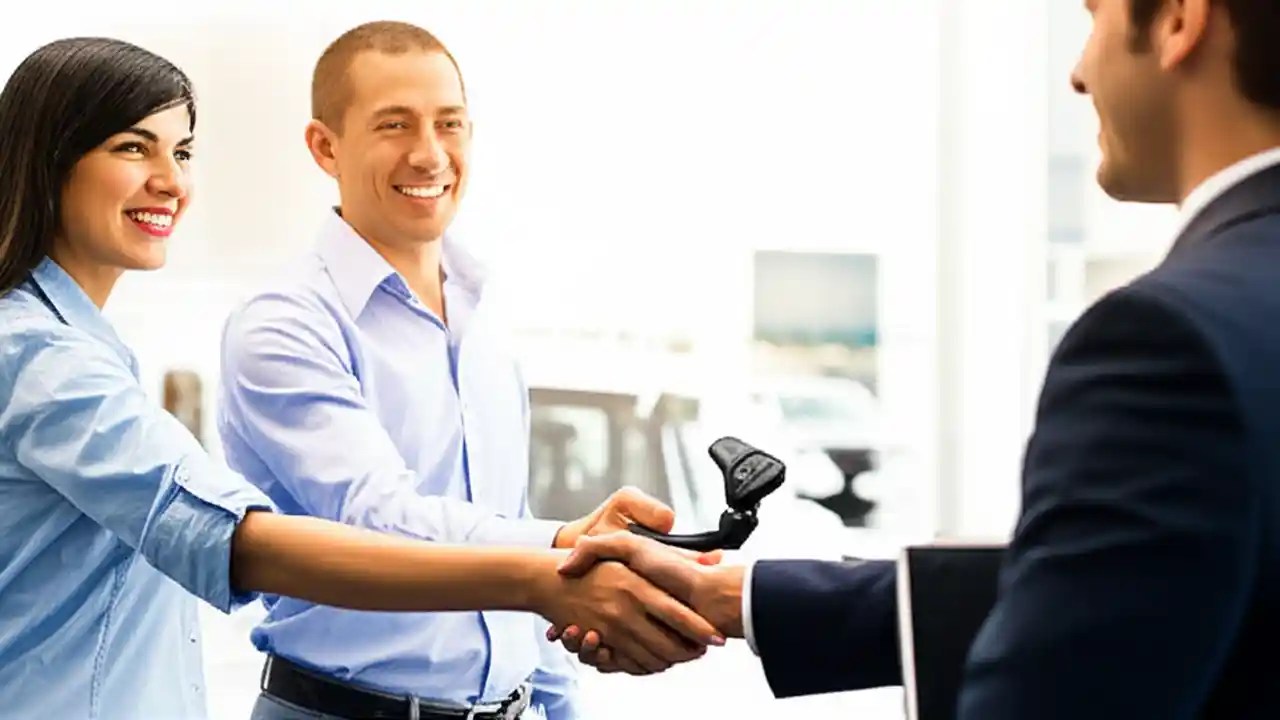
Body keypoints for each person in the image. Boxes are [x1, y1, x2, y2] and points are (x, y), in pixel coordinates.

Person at [552, 0, 1280, 716]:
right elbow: (1133, 582)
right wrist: (740, 596)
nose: (1079, 74)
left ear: (1181, 19)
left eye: (1094, 16)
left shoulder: (1166, 338)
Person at [0, 36, 722, 720]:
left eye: (183, 151)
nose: (173, 181)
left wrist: (553, 676)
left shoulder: (485, 318)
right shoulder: (46, 358)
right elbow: (256, 536)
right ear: (46, 158)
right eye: (132, 147)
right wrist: (549, 563)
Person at [215, 21, 691, 720]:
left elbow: (508, 530)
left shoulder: (482, 313)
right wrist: (566, 542)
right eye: (394, 125)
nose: (429, 154)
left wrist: (559, 707)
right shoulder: (285, 324)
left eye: (450, 124)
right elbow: (380, 522)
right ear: (325, 147)